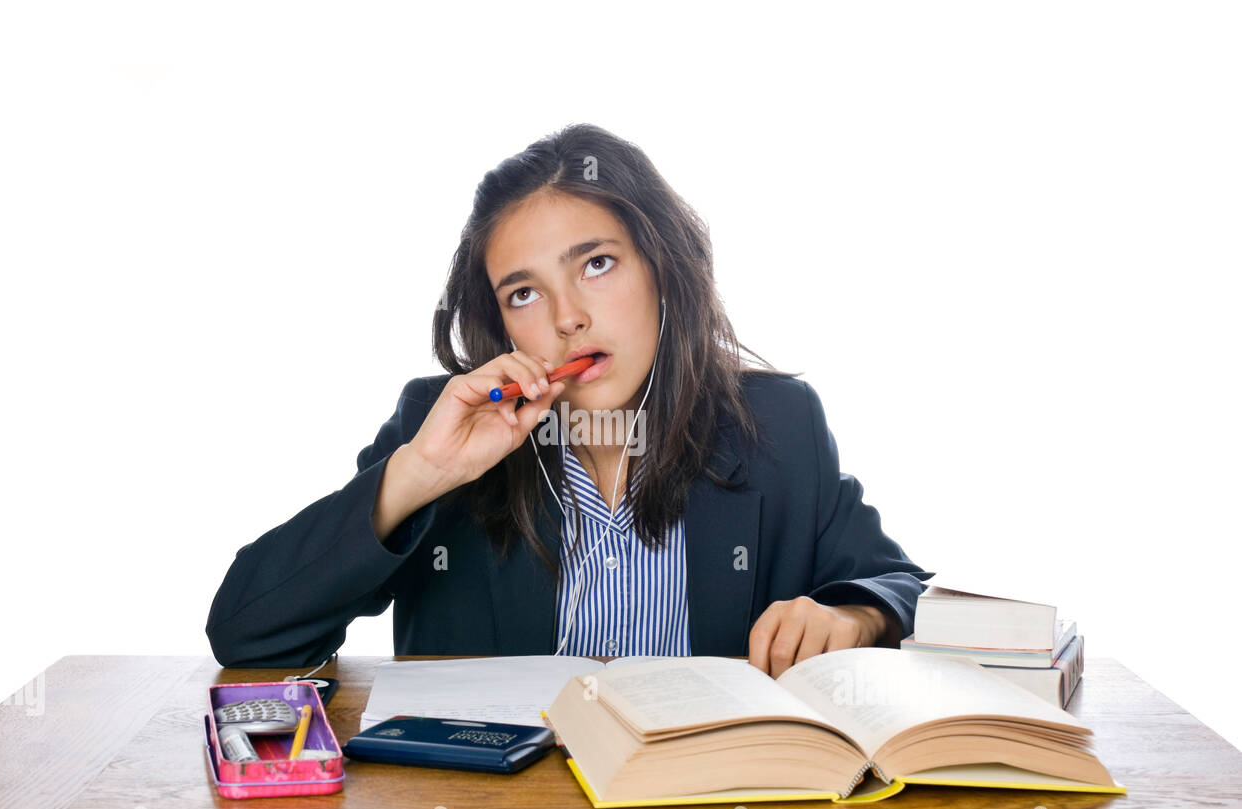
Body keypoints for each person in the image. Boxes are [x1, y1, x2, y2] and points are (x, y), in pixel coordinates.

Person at [205, 123, 933, 679]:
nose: (567, 317)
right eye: (525, 292)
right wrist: (420, 474)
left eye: (597, 264)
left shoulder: (778, 424)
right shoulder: (439, 428)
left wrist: (856, 614)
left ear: (663, 269)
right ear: (500, 322)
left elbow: (903, 588)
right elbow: (245, 631)